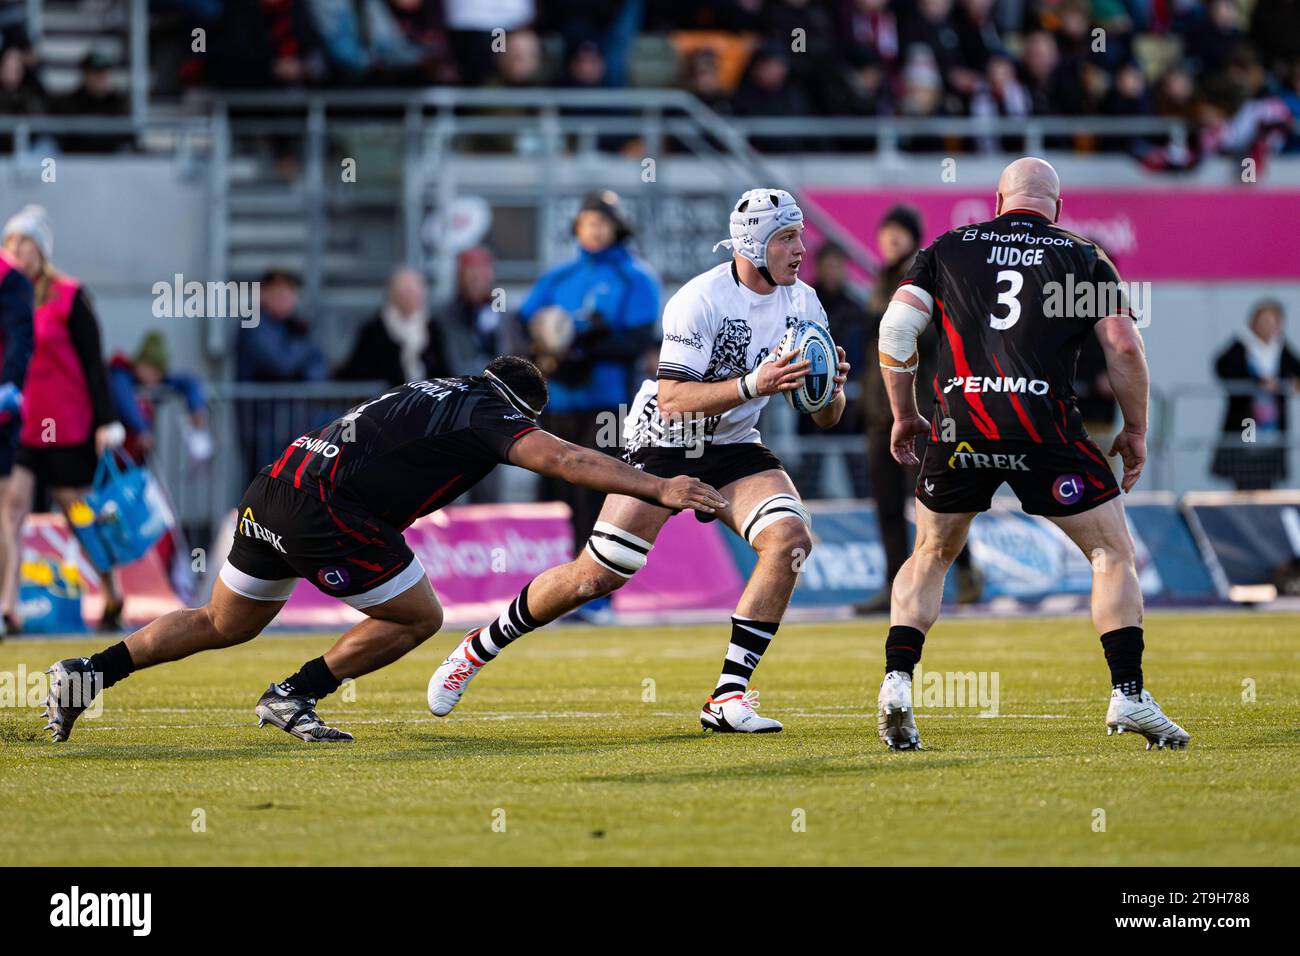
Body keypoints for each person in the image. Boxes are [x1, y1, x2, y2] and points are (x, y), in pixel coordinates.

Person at [41, 356, 726, 744]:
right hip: (326, 510)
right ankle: (295, 694)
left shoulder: (449, 389)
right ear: (523, 408)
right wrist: (658, 486)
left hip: (277, 481)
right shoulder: (495, 413)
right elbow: (568, 459)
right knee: (420, 617)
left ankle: (88, 672)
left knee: (222, 622)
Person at [426, 188, 851, 735]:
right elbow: (673, 397)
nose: (801, 248)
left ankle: (727, 695)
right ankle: (476, 649)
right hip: (665, 441)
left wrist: (828, 390)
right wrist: (754, 383)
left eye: (800, 235)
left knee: (789, 539)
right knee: (594, 578)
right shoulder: (698, 300)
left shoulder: (805, 301)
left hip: (735, 443)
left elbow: (827, 417)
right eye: (788, 237)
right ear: (754, 243)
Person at [873, 157, 1189, 751]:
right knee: (1109, 550)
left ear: (997, 201)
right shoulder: (1081, 255)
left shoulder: (950, 247)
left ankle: (897, 681)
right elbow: (1121, 342)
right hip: (1042, 427)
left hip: (961, 423)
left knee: (933, 553)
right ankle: (1127, 692)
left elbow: (894, 331)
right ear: (1058, 209)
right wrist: (1136, 428)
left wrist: (905, 414)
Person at [518, 190, 659, 618]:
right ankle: (562, 591)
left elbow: (637, 340)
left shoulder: (636, 277)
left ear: (617, 227)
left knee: (601, 499)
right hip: (560, 402)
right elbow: (524, 326)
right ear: (577, 228)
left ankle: (598, 592)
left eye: (602, 222)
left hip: (608, 406)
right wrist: (548, 357)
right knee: (559, 496)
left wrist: (585, 346)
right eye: (587, 222)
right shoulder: (559, 278)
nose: (594, 230)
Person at [0, 205, 127, 633]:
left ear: (42, 250)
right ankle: (8, 605)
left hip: (68, 425)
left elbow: (94, 363)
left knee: (78, 515)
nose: (19, 250)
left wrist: (105, 421)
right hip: (20, 424)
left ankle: (112, 591)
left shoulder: (69, 296)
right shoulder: (7, 295)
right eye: (13, 241)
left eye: (27, 242)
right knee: (11, 510)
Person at [857, 205, 979, 614]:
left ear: (913, 237)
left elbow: (934, 341)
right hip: (880, 412)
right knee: (888, 503)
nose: (890, 239)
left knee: (934, 500)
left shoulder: (924, 277)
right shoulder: (881, 281)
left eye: (899, 232)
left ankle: (963, 573)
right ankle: (893, 584)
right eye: (885, 231)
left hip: (921, 410)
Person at [1211, 299, 1300, 490]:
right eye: (1263, 322)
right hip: (1246, 421)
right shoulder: (1241, 345)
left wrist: (1285, 383)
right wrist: (1258, 382)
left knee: (1267, 472)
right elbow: (1223, 367)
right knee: (1246, 465)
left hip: (1272, 426)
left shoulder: (1281, 348)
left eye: (1272, 322)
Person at [0, 214, 34, 639]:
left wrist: (6, 391)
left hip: (3, 414)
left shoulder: (10, 278)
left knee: (5, 512)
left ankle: (5, 603)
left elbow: (20, 341)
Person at [108, 330, 211, 465]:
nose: (152, 378)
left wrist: (196, 408)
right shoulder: (120, 376)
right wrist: (141, 428)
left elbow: (190, 381)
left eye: (157, 373)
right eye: (149, 370)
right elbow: (124, 399)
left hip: (135, 454)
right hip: (115, 450)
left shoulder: (155, 381)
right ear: (139, 363)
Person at [336, 266, 444, 387]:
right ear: (392, 294)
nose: (409, 298)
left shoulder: (432, 327)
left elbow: (443, 369)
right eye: (404, 293)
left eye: (413, 293)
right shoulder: (373, 329)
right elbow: (359, 371)